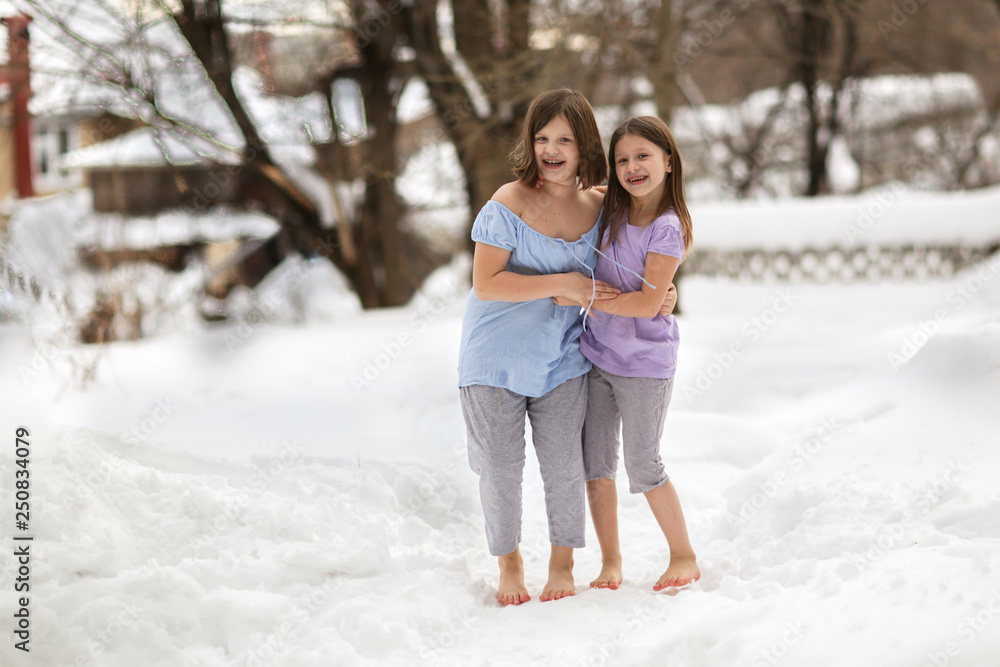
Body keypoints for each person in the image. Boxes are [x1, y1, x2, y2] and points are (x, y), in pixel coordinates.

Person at [458, 90, 676, 606]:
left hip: (563, 354)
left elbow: (639, 250)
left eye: (565, 140)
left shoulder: (602, 206)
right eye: (542, 138)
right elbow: (486, 283)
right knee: (502, 468)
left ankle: (563, 560)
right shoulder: (505, 203)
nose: (552, 149)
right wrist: (564, 285)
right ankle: (509, 564)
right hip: (496, 357)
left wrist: (663, 291)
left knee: (564, 465)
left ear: (584, 149)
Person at [562, 116, 700, 592]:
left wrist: (584, 296)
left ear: (667, 159)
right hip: (599, 355)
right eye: (622, 158)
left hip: (644, 364)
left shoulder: (667, 228)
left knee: (643, 465)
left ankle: (683, 556)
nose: (632, 166)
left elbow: (644, 303)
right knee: (595, 466)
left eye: (643, 155)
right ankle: (611, 563)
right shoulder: (609, 209)